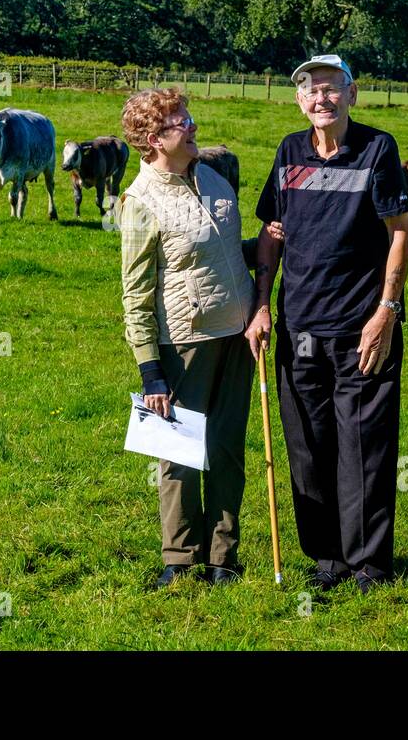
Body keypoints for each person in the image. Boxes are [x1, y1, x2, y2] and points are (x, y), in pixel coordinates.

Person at [245, 54, 408, 593]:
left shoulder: (377, 148)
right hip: (298, 330)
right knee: (307, 449)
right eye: (311, 91)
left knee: (363, 449)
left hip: (361, 329)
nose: (322, 99)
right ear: (299, 100)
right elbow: (273, 231)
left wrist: (386, 312)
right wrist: (261, 304)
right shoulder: (289, 152)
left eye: (331, 89)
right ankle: (327, 559)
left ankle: (368, 564)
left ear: (352, 93)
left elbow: (401, 231)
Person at [118, 87, 257, 588]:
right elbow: (135, 295)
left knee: (226, 449)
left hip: (238, 337)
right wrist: (150, 370)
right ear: (154, 139)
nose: (192, 125)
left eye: (188, 116)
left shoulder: (215, 179)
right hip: (183, 343)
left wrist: (264, 246)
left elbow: (222, 252)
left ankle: (225, 557)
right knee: (178, 453)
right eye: (180, 122)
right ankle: (179, 559)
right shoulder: (139, 203)